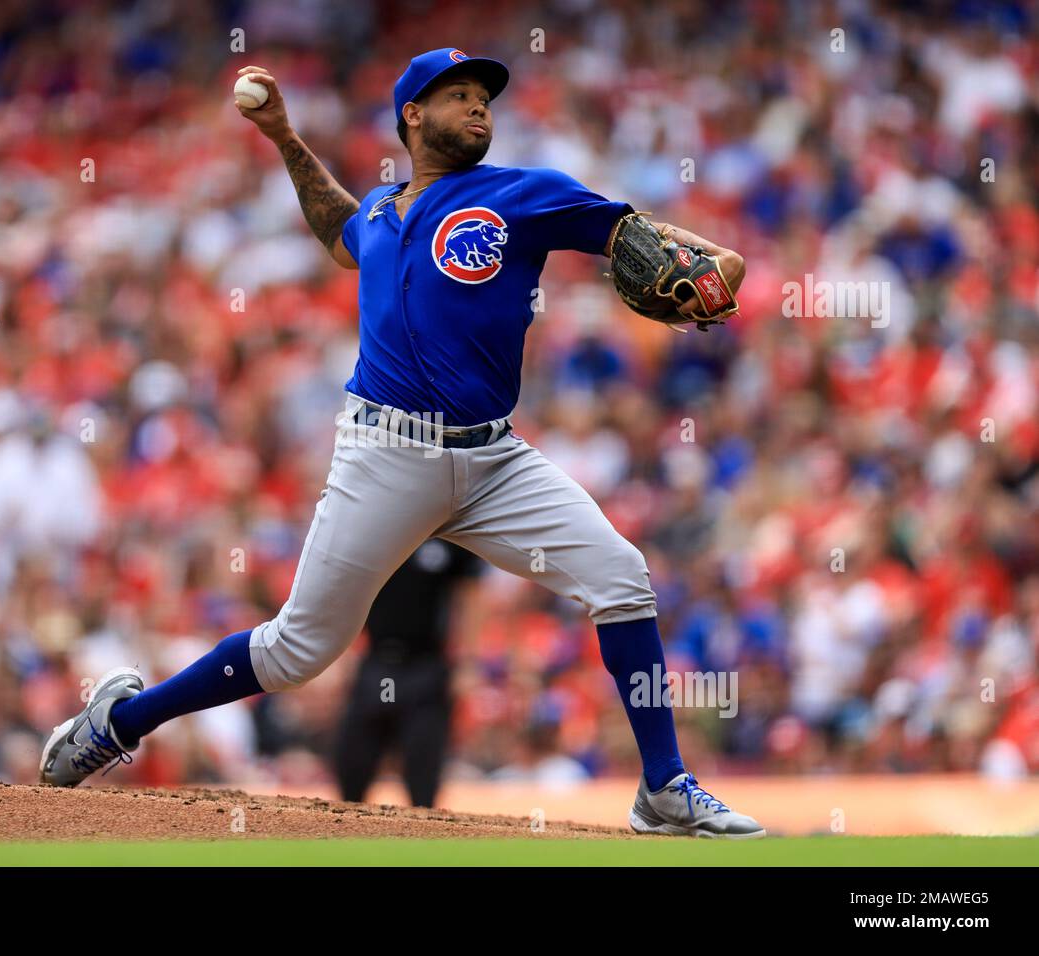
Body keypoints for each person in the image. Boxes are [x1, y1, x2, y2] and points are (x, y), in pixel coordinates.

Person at [40, 48, 765, 838]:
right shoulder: (381, 215)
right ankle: (120, 721)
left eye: (485, 97)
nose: (479, 108)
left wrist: (710, 259)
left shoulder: (525, 194)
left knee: (622, 578)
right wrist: (284, 136)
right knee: (296, 653)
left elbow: (635, 233)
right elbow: (337, 231)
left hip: (493, 462)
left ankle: (663, 787)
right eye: (458, 96)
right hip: (385, 455)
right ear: (412, 115)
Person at [332, 538, 482, 808]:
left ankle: (422, 841)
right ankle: (345, 833)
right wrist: (341, 653)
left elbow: (469, 596)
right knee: (353, 762)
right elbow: (346, 588)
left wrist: (468, 662)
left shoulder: (448, 536)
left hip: (425, 665)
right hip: (376, 661)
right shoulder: (377, 528)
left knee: (422, 769)